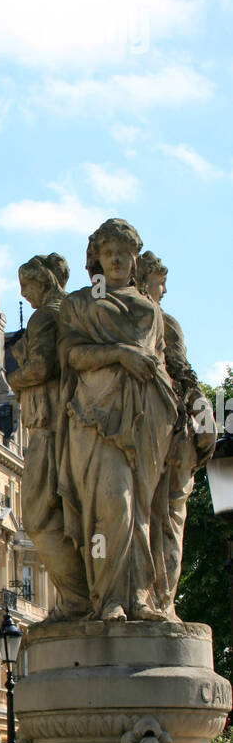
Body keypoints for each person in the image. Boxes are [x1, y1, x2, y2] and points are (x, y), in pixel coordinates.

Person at [56, 219, 179, 621]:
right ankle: (107, 597)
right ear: (96, 257)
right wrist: (120, 355)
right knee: (111, 504)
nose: (116, 259)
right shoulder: (81, 304)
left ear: (134, 259)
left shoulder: (149, 310)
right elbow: (72, 357)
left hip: (146, 419)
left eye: (124, 253)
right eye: (108, 252)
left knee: (142, 510)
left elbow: (160, 361)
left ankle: (140, 595)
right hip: (93, 416)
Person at [135, 250, 216, 618]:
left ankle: (162, 601)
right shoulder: (133, 323)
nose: (163, 290)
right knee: (149, 520)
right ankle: (146, 597)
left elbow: (184, 375)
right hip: (142, 432)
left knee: (165, 521)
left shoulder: (165, 324)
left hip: (171, 432)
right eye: (158, 281)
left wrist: (203, 417)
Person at [10, 253, 90, 619]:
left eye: (27, 286)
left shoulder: (46, 315)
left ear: (42, 281)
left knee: (38, 517)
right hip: (75, 427)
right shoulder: (76, 314)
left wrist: (14, 380)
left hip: (46, 425)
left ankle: (76, 600)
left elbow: (41, 366)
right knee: (74, 513)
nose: (25, 295)